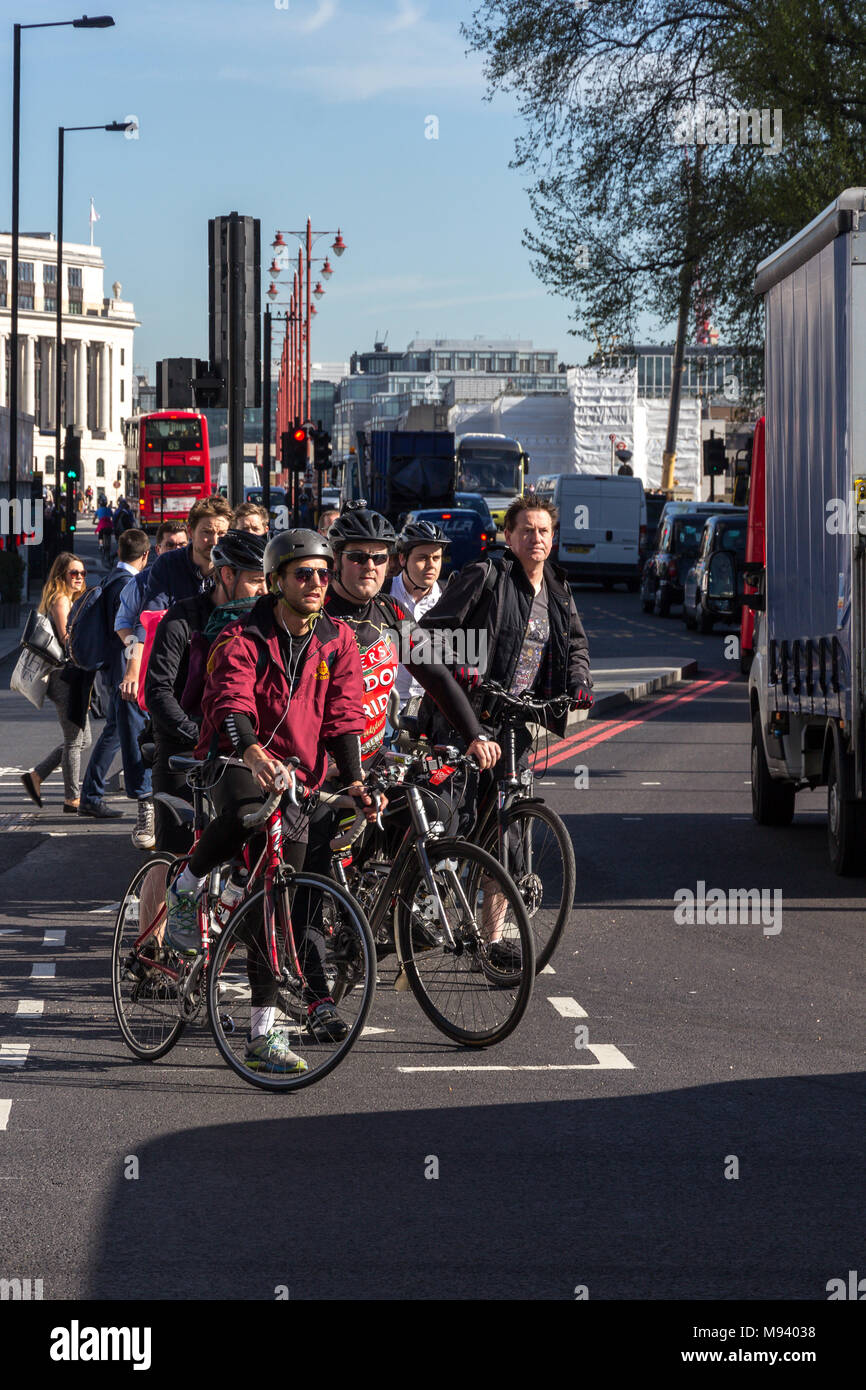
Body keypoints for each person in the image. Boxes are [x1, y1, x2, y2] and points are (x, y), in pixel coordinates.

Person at [164, 528, 373, 1074]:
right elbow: (229, 699)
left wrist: (353, 780)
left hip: (298, 775)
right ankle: (187, 884)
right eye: (303, 573)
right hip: (237, 759)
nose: (317, 583)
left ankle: (264, 1035)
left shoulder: (338, 640)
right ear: (278, 580)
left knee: (274, 905)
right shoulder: (243, 634)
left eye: (324, 574)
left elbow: (344, 717)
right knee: (244, 811)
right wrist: (253, 752)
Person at [418, 491, 593, 775]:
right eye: (526, 531)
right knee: (461, 811)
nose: (536, 538)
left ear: (552, 537)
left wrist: (580, 681)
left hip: (515, 718)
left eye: (543, 531)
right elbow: (429, 630)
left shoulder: (559, 590)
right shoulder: (486, 574)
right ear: (508, 536)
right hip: (467, 715)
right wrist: (456, 663)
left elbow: (576, 644)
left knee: (515, 800)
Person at [144, 529, 267, 853]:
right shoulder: (182, 617)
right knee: (176, 849)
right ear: (226, 575)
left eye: (269, 581)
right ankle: (164, 896)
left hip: (240, 744)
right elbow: (158, 690)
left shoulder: (264, 621)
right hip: (183, 744)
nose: (265, 590)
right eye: (256, 580)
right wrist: (195, 733)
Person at [77, 530, 155, 844]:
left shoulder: (112, 579)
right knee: (121, 732)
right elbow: (128, 634)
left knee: (114, 731)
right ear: (146, 554)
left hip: (117, 668)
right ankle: (93, 794)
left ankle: (93, 792)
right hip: (126, 671)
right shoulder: (127, 584)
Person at [20, 553, 92, 813]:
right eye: (74, 573)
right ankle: (72, 798)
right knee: (74, 740)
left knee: (83, 740)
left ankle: (37, 776)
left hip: (71, 676)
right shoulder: (60, 600)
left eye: (82, 574)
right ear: (61, 575)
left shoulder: (69, 599)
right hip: (65, 676)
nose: (79, 578)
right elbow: (66, 639)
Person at [390, 520, 448, 711]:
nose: (431, 565)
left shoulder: (450, 599)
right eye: (423, 558)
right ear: (402, 559)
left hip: (431, 708)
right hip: (385, 708)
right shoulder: (383, 594)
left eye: (436, 558)